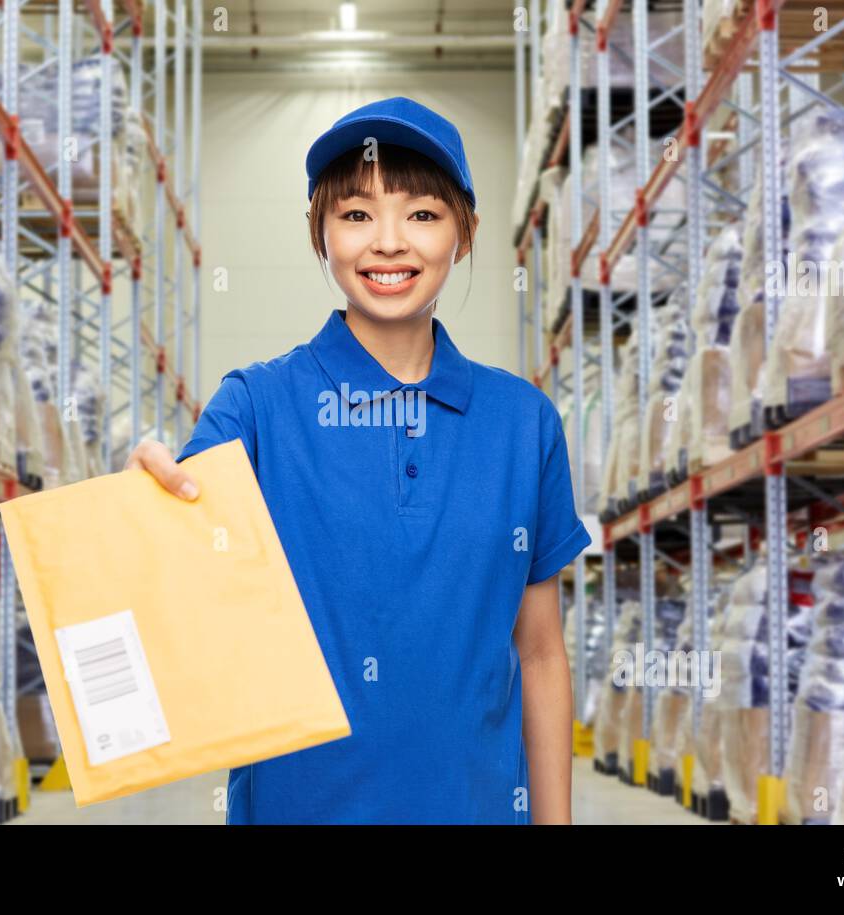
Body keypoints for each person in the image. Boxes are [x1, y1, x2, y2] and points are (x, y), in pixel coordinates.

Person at [125, 97, 592, 824]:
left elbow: (539, 654)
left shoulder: (523, 424)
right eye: (356, 215)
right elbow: (178, 568)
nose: (388, 243)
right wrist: (141, 507)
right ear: (321, 234)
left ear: (463, 236)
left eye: (423, 215)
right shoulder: (255, 407)